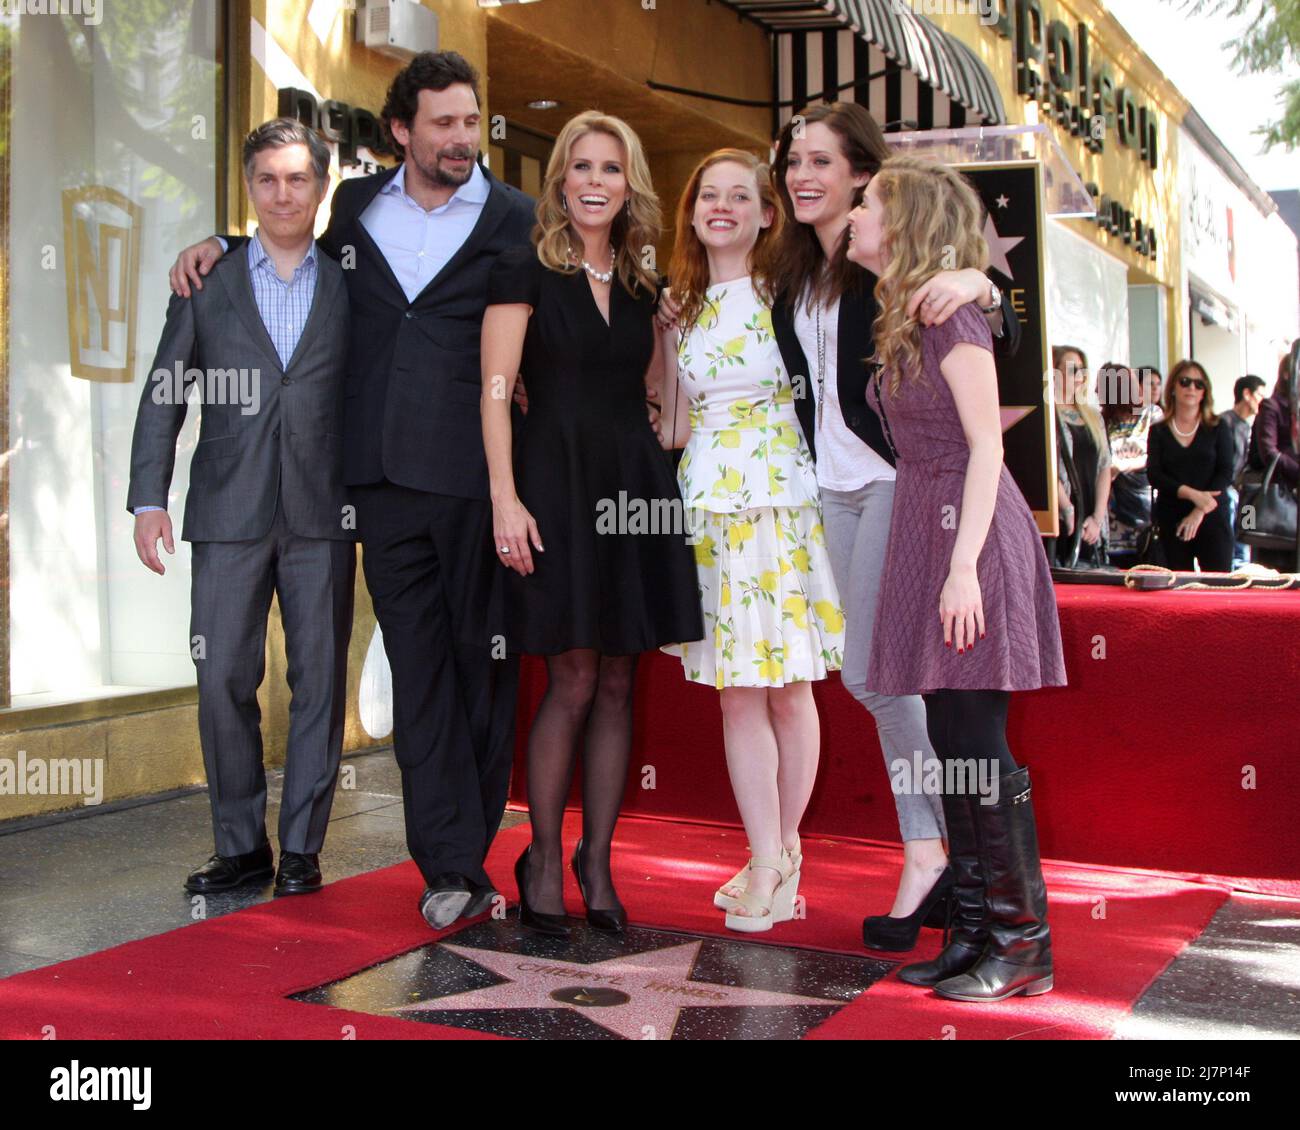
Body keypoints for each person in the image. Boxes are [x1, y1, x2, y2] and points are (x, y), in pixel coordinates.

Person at [168, 52, 534, 929]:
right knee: (418, 674)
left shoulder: (514, 217)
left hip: (476, 481)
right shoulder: (361, 207)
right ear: (402, 131)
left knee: (482, 673)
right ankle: (446, 864)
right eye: (440, 123)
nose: (459, 138)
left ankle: (469, 846)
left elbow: (541, 316)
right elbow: (290, 250)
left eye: (469, 121)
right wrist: (222, 244)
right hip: (376, 483)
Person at [765, 102, 1022, 950]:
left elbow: (992, 323)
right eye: (792, 161)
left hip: (898, 485)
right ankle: (949, 862)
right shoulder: (797, 266)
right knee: (871, 675)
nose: (800, 175)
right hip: (829, 488)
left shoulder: (901, 259)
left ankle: (930, 855)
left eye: (818, 162)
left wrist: (986, 281)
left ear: (862, 175)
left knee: (882, 679)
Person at [847, 154, 1065, 1002]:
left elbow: (988, 446)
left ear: (904, 225)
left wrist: (966, 567)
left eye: (869, 203)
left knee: (975, 740)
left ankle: (1025, 946)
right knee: (949, 742)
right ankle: (973, 934)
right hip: (928, 527)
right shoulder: (908, 308)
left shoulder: (952, 317)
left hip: (968, 534)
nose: (858, 214)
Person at [481, 111, 703, 937]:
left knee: (619, 676)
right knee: (571, 674)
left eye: (611, 168)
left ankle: (597, 860)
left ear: (627, 183)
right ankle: (542, 855)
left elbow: (667, 412)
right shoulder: (522, 268)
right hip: (554, 482)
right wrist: (505, 497)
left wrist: (676, 341)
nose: (596, 182)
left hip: (634, 486)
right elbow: (496, 392)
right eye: (582, 168)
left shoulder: (648, 286)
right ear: (561, 182)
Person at [129, 120, 356, 897]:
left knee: (319, 682)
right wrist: (147, 499)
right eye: (268, 179)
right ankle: (240, 846)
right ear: (250, 188)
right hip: (226, 511)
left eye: (298, 179)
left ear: (321, 188)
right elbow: (166, 391)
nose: (283, 193)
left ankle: (300, 850)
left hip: (325, 512)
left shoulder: (352, 282)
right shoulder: (210, 279)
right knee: (222, 673)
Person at [657, 149, 845, 933]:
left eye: (742, 195)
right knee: (737, 690)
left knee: (789, 685)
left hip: (781, 500)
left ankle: (779, 855)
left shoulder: (792, 294)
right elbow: (673, 423)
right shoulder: (679, 305)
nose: (723, 206)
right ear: (692, 210)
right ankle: (766, 854)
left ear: (769, 213)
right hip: (708, 503)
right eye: (710, 194)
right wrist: (660, 341)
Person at [1147, 360, 1234, 573]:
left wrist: (1199, 510)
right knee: (1176, 588)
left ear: (1205, 392)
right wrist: (1192, 494)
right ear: (1174, 388)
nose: (1191, 388)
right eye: (1185, 382)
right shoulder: (1159, 431)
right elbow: (1154, 475)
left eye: (1198, 384)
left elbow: (1226, 472)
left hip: (1212, 514)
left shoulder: (1218, 426)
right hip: (1171, 515)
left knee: (1218, 587)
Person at [1050, 346, 1111, 568]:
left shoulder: (1094, 416)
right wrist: (1067, 507)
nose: (1079, 377)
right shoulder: (1046, 415)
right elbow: (1046, 469)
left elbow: (1105, 467)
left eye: (1082, 370)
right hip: (1061, 517)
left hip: (1091, 520)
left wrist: (1096, 517)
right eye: (1072, 369)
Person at [1099, 362, 1159, 568]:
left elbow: (1157, 456)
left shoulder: (1152, 415)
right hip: (1113, 514)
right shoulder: (1102, 421)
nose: (1140, 389)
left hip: (1146, 508)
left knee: (1149, 566)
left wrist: (1120, 466)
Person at [1246, 354, 1299, 570]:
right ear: (1288, 374)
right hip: (1279, 499)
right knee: (1275, 570)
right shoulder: (1272, 405)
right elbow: (1269, 452)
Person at [1224, 374, 1267, 566]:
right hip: (1229, 493)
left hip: (1247, 495)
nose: (1262, 401)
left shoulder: (1251, 426)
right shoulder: (1225, 422)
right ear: (1247, 394)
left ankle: (1242, 566)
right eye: (1260, 394)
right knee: (1234, 542)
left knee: (1246, 537)